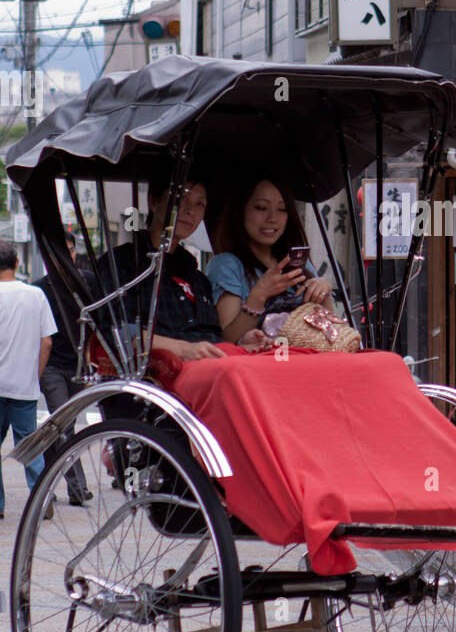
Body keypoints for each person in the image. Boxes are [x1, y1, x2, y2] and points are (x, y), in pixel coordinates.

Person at [99, 171, 268, 361]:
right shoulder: (122, 263)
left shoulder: (198, 279)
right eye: (181, 198)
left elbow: (211, 337)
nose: (191, 211)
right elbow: (120, 332)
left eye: (200, 204)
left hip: (210, 366)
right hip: (161, 370)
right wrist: (184, 349)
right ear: (154, 201)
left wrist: (239, 344)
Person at [207, 175, 332, 344]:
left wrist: (323, 293)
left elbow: (331, 333)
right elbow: (227, 340)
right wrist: (259, 296)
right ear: (240, 209)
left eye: (282, 209)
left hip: (306, 359)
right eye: (261, 207)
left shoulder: (296, 261)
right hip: (260, 365)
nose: (272, 218)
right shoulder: (227, 265)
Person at [35, 229, 96, 506]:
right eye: (61, 251)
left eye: (70, 251)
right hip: (52, 367)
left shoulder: (88, 283)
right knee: (65, 426)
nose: (67, 256)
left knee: (59, 427)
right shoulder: (40, 289)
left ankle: (44, 479)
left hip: (80, 367)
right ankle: (78, 488)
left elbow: (99, 324)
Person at [0, 239, 57, 520]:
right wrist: (34, 375)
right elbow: (46, 342)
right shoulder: (36, 295)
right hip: (25, 386)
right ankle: (41, 498)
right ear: (17, 263)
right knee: (30, 445)